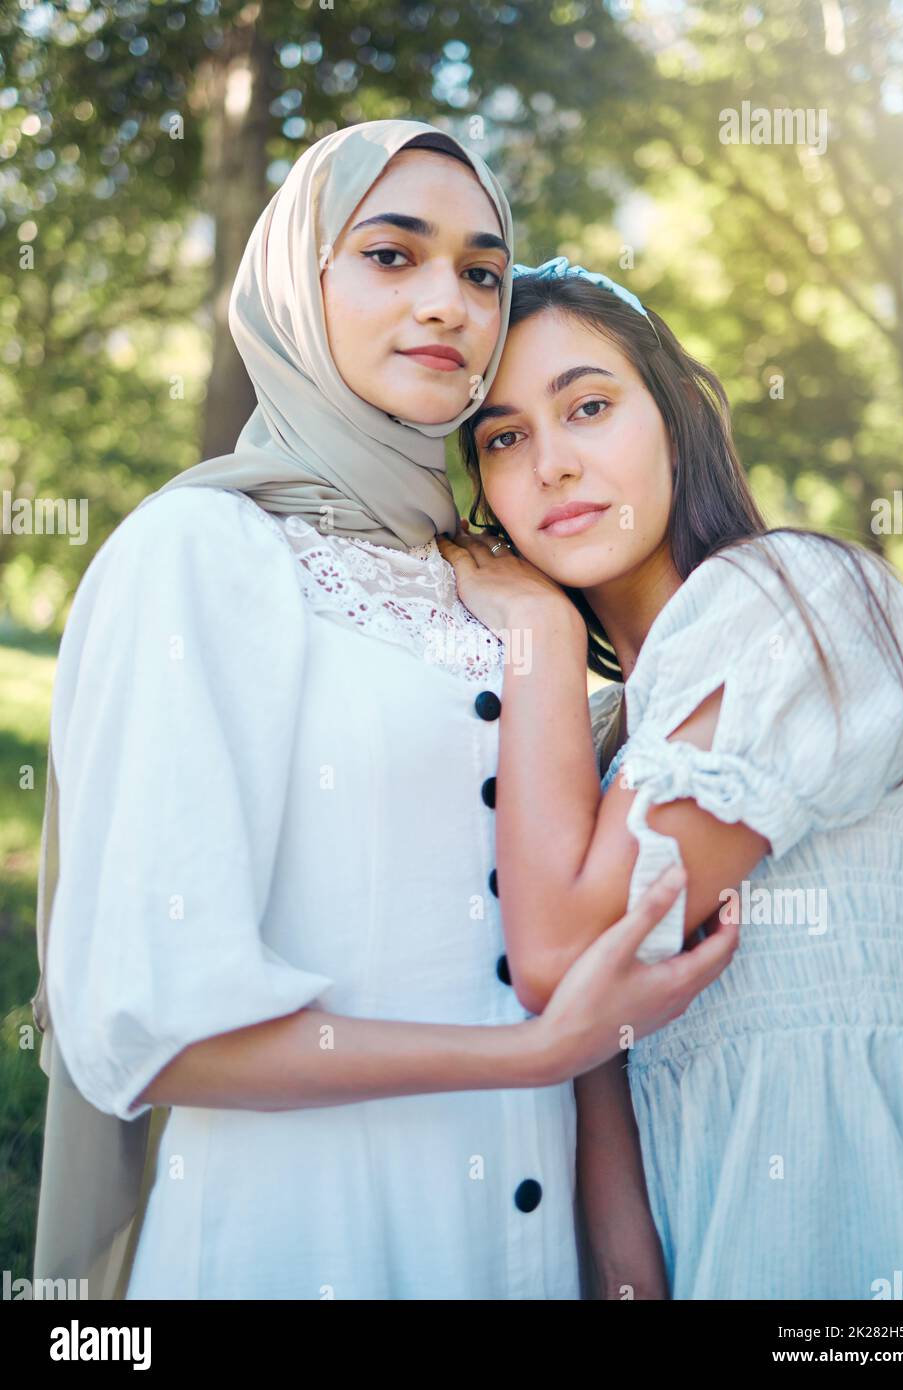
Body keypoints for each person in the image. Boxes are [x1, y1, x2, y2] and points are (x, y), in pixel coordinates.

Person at [30, 129, 738, 1301]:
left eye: (479, 271)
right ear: (296, 287)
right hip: (307, 1242)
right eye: (390, 255)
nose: (447, 303)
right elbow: (149, 1024)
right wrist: (532, 1055)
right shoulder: (198, 553)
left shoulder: (499, 583)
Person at [440, 256, 903, 1300]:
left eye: (588, 405)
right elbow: (595, 1091)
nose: (550, 464)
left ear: (675, 418)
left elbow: (561, 956)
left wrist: (537, 625)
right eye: (504, 438)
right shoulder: (580, 745)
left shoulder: (806, 600)